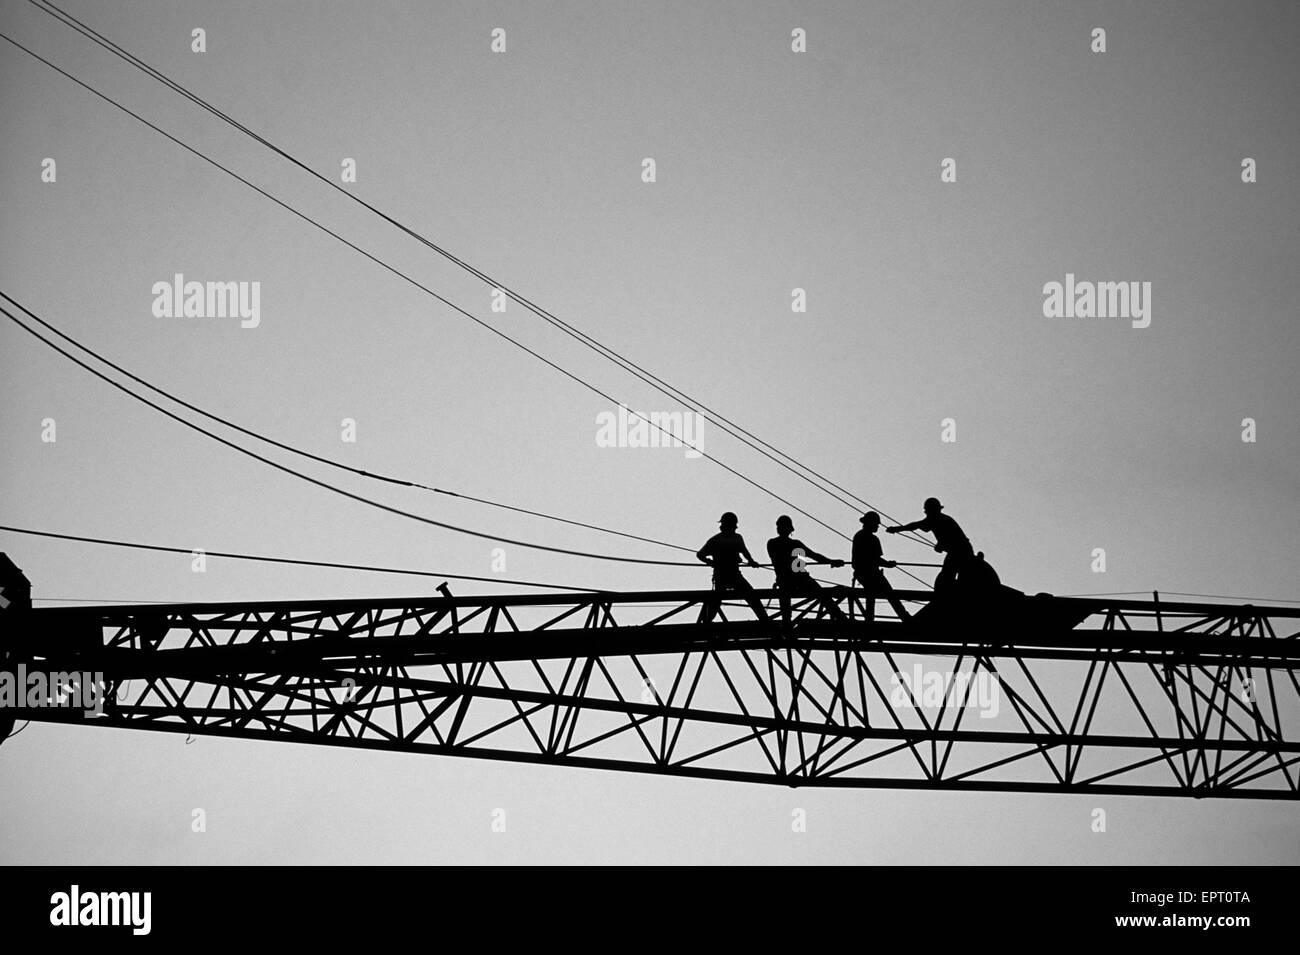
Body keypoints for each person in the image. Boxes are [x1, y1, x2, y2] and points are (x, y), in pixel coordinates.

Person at [765, 515, 846, 623]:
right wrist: (831, 562)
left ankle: (787, 627)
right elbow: (815, 556)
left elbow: (779, 560)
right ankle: (839, 617)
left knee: (785, 607)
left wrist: (831, 561)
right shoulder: (794, 544)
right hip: (800, 579)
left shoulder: (772, 544)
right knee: (822, 595)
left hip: (784, 581)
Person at [886, 497, 973, 592]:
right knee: (949, 576)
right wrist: (941, 544)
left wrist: (897, 529)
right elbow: (949, 536)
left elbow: (916, 525)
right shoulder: (942, 519)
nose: (926, 514)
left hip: (959, 552)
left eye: (927, 511)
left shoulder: (937, 519)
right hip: (961, 551)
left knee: (947, 577)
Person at [697, 512, 769, 622]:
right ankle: (765, 621)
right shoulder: (734, 538)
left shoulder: (716, 540)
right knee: (751, 596)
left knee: (717, 601)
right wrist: (751, 562)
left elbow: (700, 554)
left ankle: (706, 623)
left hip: (723, 575)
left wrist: (710, 562)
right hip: (732, 575)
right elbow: (745, 553)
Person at [852, 512, 911, 623]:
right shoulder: (872, 539)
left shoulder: (859, 535)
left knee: (871, 595)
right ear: (871, 523)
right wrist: (888, 564)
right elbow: (875, 559)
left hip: (861, 573)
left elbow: (871, 559)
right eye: (876, 524)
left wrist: (886, 564)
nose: (878, 526)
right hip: (871, 573)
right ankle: (905, 617)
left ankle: (870, 620)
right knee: (890, 594)